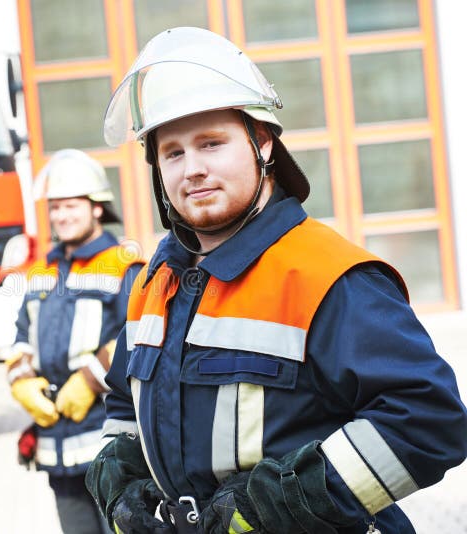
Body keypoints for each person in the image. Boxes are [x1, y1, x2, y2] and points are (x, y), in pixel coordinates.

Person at [85, 27, 467, 534]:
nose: (192, 169)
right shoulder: (156, 283)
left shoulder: (326, 276)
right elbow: (123, 401)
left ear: (263, 143)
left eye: (211, 143)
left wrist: (276, 506)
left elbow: (427, 422)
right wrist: (120, 475)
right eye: (173, 153)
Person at [7, 149, 144, 534]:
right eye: (55, 208)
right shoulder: (42, 270)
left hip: (110, 439)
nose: (61, 216)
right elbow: (20, 335)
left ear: (97, 208)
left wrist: (88, 379)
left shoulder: (124, 265)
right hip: (56, 442)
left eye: (71, 206)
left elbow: (137, 336)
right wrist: (20, 381)